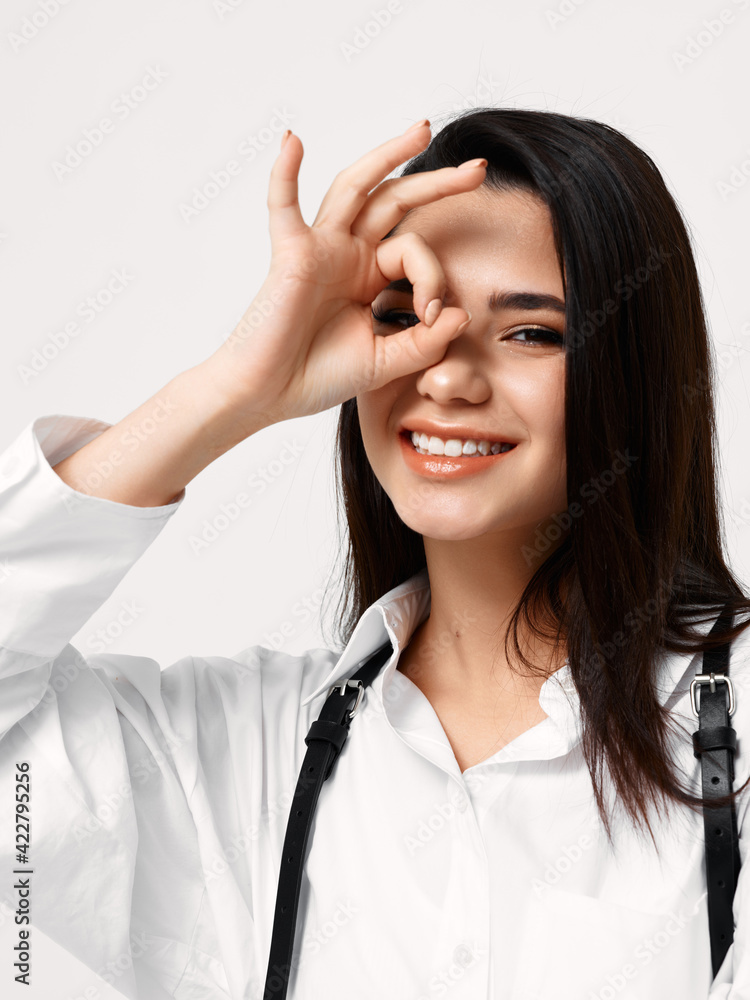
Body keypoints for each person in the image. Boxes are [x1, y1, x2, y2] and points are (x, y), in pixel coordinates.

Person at [1, 107, 749, 1000]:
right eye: (408, 319)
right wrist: (237, 387)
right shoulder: (250, 755)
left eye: (530, 332)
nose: (444, 376)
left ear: (630, 368)